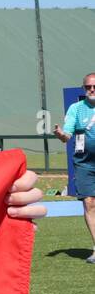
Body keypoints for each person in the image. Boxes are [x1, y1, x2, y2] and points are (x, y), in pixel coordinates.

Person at [52, 72, 95, 262]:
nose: (92, 90)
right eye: (88, 87)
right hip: (84, 163)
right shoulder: (76, 109)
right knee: (89, 202)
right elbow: (67, 135)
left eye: (94, 87)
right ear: (83, 88)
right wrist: (61, 134)